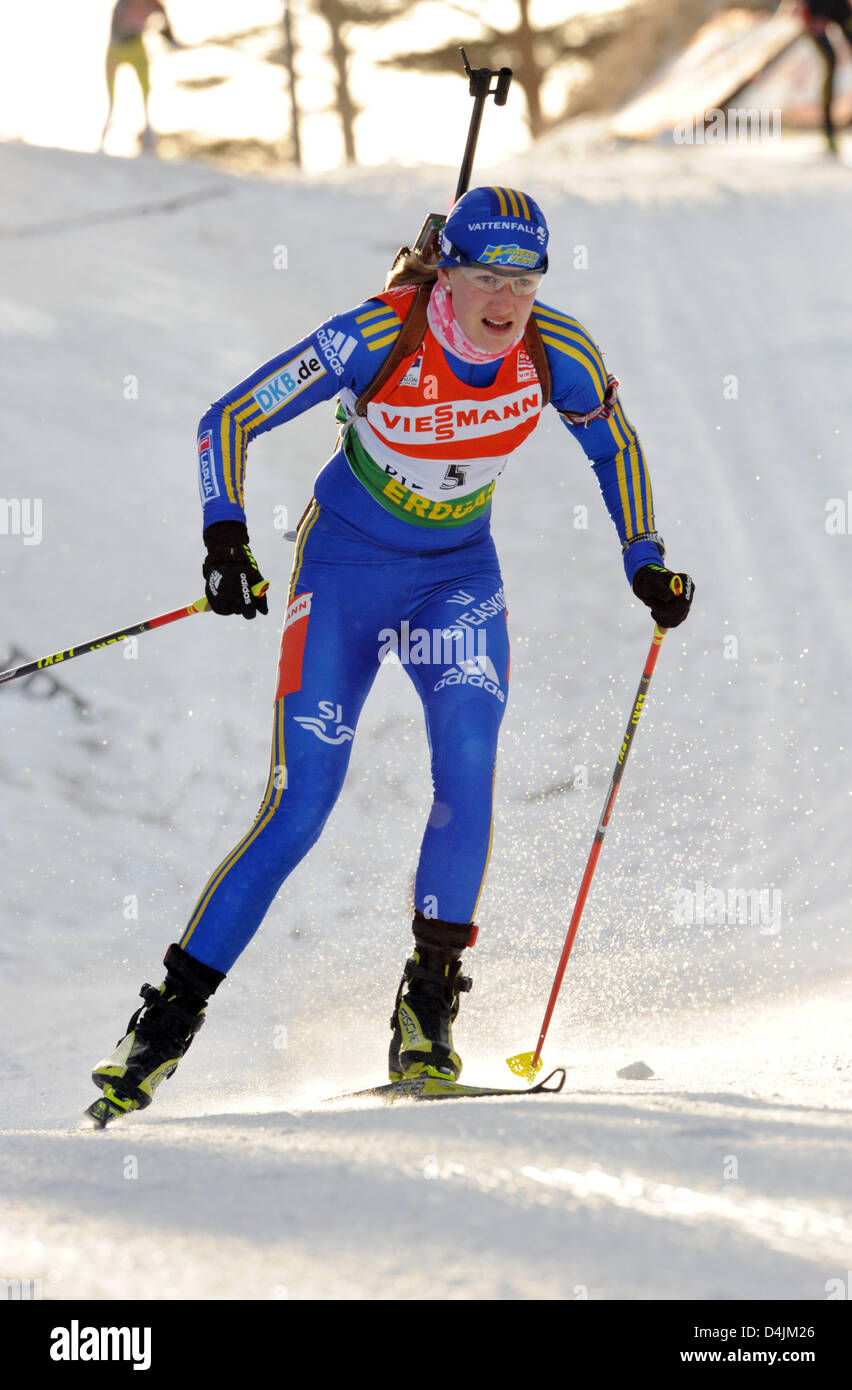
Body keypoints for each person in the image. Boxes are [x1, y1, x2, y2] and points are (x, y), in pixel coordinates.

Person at [89, 185, 694, 1120]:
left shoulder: (555, 350)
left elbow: (612, 444)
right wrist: (224, 538)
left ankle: (428, 1007)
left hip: (456, 575)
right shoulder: (376, 335)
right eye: (486, 277)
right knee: (301, 808)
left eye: (524, 280)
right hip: (344, 573)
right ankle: (163, 1026)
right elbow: (230, 418)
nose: (506, 301)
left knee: (467, 766)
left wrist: (644, 557)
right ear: (444, 272)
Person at [101, 0, 181, 153]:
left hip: (137, 50)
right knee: (112, 96)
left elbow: (166, 29)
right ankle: (104, 136)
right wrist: (138, 28)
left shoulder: (156, 5)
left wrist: (171, 41)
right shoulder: (124, 3)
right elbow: (118, 27)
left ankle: (148, 137)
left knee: (146, 91)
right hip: (116, 49)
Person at [797, 0, 852, 153]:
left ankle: (829, 131)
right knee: (830, 61)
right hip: (814, 11)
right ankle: (829, 130)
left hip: (840, 8)